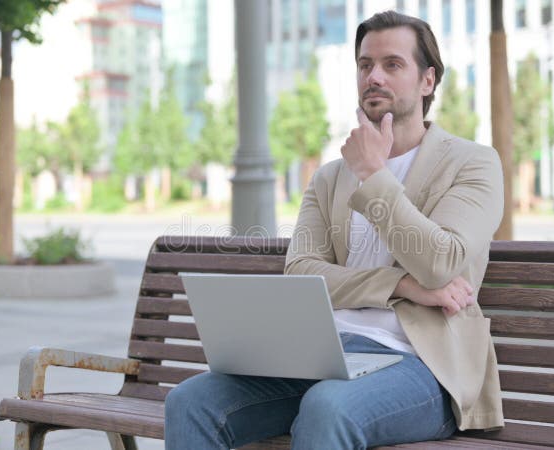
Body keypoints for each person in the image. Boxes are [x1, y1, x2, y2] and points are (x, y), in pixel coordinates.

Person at [165, 10, 504, 450]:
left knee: (328, 406)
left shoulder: (473, 163)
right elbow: (303, 271)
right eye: (365, 65)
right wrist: (401, 284)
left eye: (392, 64)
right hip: (322, 356)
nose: (373, 76)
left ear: (427, 80)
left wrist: (373, 174)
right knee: (191, 401)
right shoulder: (328, 178)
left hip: (423, 365)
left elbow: (440, 263)